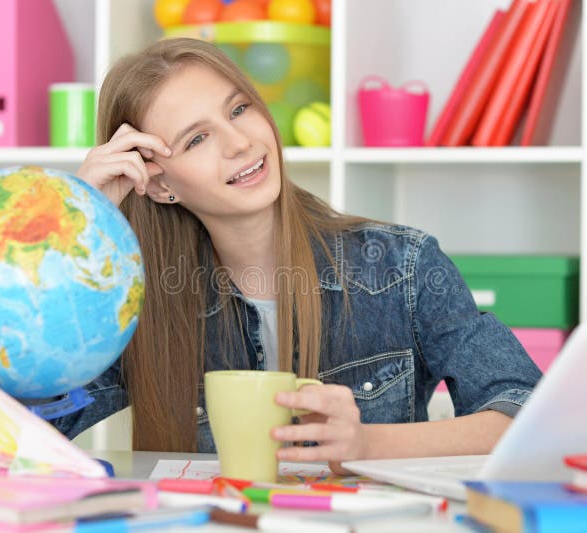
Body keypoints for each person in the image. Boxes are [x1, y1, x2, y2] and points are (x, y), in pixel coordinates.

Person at [52, 38, 541, 473]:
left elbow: (528, 415)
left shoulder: (403, 268)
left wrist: (368, 444)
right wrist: (77, 227)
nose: (241, 142)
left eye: (239, 109)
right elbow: (5, 430)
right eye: (197, 138)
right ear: (158, 184)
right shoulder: (140, 303)